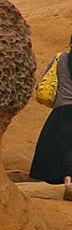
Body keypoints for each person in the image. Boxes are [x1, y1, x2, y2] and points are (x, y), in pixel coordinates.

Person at [29, 38, 72, 199]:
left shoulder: (60, 58)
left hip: (63, 109)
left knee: (65, 147)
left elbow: (48, 78)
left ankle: (68, 183)